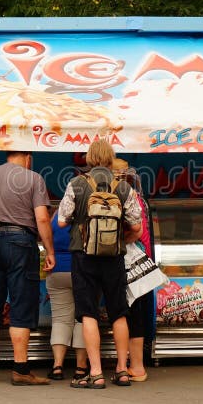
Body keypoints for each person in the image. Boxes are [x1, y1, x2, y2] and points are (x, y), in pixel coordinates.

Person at [57, 140, 142, 389]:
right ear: (110, 158)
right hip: (114, 257)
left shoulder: (76, 184)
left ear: (89, 158)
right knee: (118, 312)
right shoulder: (124, 187)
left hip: (83, 256)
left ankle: (95, 372)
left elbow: (62, 221)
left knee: (88, 313)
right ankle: (122, 370)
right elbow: (136, 226)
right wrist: (122, 240)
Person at [0, 150, 55, 385]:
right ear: (27, 156)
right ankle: (20, 369)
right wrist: (50, 251)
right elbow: (43, 219)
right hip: (20, 242)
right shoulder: (33, 178)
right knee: (21, 303)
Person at [112, 158, 151, 383]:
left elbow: (135, 231)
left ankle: (133, 365)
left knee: (127, 313)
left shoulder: (124, 196)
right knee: (135, 312)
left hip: (127, 260)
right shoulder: (140, 198)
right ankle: (134, 365)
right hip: (142, 259)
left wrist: (116, 242)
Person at [45, 210, 89, 382]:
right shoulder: (90, 210)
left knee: (60, 319)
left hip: (57, 270)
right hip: (84, 270)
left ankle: (57, 366)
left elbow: (46, 236)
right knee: (83, 318)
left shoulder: (56, 214)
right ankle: (80, 367)